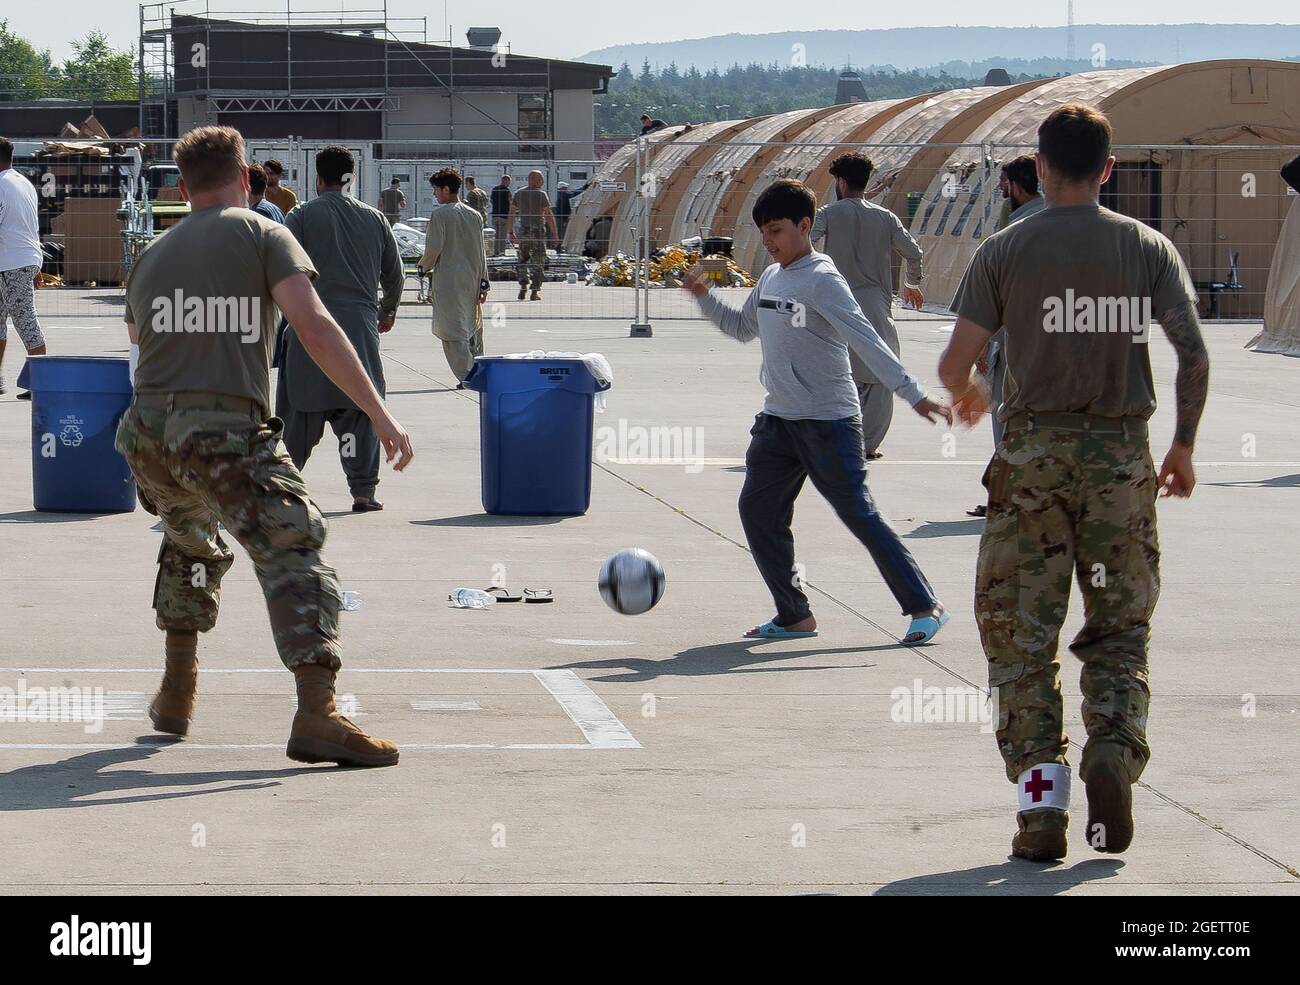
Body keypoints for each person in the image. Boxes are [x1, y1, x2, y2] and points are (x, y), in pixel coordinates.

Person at [938, 104, 1209, 862]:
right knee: (1120, 630)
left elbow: (956, 365)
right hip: (1122, 459)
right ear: (1109, 169)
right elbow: (1191, 353)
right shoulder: (1148, 248)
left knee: (1021, 643)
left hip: (1032, 462)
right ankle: (1113, 755)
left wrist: (972, 390)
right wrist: (1182, 446)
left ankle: (1041, 808)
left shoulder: (1003, 249)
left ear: (1041, 166)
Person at [114, 126, 414, 767]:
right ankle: (318, 715)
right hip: (222, 429)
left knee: (189, 539)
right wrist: (378, 414)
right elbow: (314, 326)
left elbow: (139, 343)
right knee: (294, 549)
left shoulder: (151, 254)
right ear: (247, 179)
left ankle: (176, 694)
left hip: (147, 437)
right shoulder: (265, 233)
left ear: (182, 187)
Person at [681, 178, 952, 645]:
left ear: (805, 226)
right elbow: (744, 328)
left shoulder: (822, 279)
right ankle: (794, 616)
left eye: (778, 231)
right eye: (763, 233)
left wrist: (913, 393)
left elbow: (867, 338)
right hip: (778, 422)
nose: (769, 242)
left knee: (858, 514)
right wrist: (704, 297)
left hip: (828, 422)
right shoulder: (770, 276)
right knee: (758, 511)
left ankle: (925, 605)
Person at [277, 145, 404, 513]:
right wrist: (388, 310)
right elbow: (394, 275)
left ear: (318, 178)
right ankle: (363, 492)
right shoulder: (375, 218)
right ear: (352, 177)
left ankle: (282, 484)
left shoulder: (300, 216)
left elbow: (279, 269)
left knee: (297, 412)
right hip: (360, 331)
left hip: (308, 327)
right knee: (361, 412)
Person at [810, 152, 924, 459]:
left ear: (841, 182)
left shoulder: (828, 213)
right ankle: (866, 444)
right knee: (881, 374)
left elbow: (804, 241)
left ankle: (834, 437)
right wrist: (912, 284)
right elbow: (914, 253)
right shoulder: (885, 217)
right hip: (875, 306)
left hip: (836, 303)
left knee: (837, 372)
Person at [967, 155, 1047, 517]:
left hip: (1014, 344)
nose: (1001, 191)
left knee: (1007, 420)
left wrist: (981, 344)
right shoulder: (1060, 221)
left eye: (1003, 185)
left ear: (1016, 186)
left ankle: (1010, 494)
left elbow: (993, 296)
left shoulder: (1011, 232)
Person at [419, 167, 489, 386]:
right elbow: (481, 252)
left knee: (452, 332)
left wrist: (422, 268)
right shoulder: (475, 215)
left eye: (436, 190)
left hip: (449, 281)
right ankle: (478, 371)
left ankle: (468, 376)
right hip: (472, 279)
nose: (434, 194)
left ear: (446, 189)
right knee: (471, 328)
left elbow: (433, 249)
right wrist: (484, 283)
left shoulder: (440, 215)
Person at [0, 136, 46, 400]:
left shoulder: (1, 185)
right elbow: (29, 224)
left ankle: (40, 382)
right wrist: (36, 262)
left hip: (12, 264)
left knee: (24, 319)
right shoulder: (24, 183)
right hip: (20, 259)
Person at [508, 170, 559, 301]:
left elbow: (512, 213)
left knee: (523, 260)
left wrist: (510, 232)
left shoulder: (518, 194)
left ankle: (523, 285)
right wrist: (554, 233)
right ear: (534, 180)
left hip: (524, 231)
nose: (542, 182)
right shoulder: (541, 194)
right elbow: (548, 215)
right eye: (541, 179)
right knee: (539, 261)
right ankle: (534, 291)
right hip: (538, 233)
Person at [489, 174, 512, 256]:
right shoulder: (507, 191)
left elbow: (491, 200)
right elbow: (510, 203)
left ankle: (495, 252)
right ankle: (501, 252)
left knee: (496, 235)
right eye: (509, 182)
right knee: (502, 236)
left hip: (495, 215)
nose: (509, 184)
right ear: (506, 181)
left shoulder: (494, 189)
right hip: (504, 216)